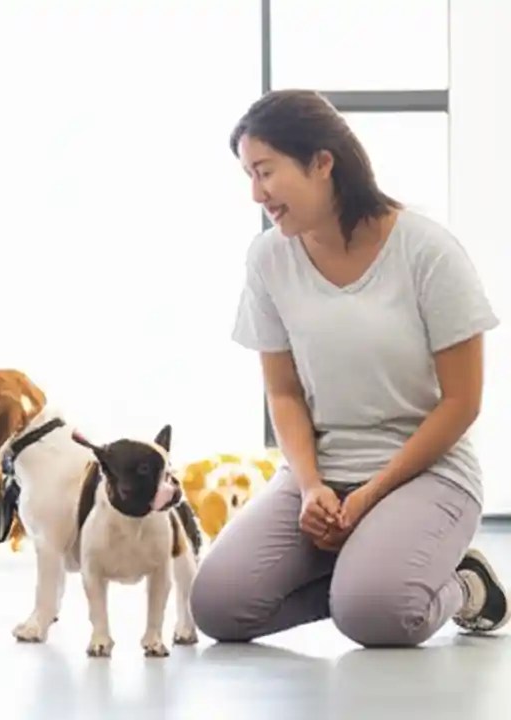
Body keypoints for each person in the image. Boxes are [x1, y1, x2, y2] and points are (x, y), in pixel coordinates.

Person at [190, 89, 508, 647]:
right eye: (249, 175)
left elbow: (463, 401)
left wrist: (370, 495)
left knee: (376, 616)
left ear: (321, 162)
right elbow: (284, 394)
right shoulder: (268, 259)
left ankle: (463, 585)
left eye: (265, 171)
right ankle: (369, 574)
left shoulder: (427, 251)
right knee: (218, 606)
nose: (256, 194)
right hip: (323, 473)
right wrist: (311, 486)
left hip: (427, 473)